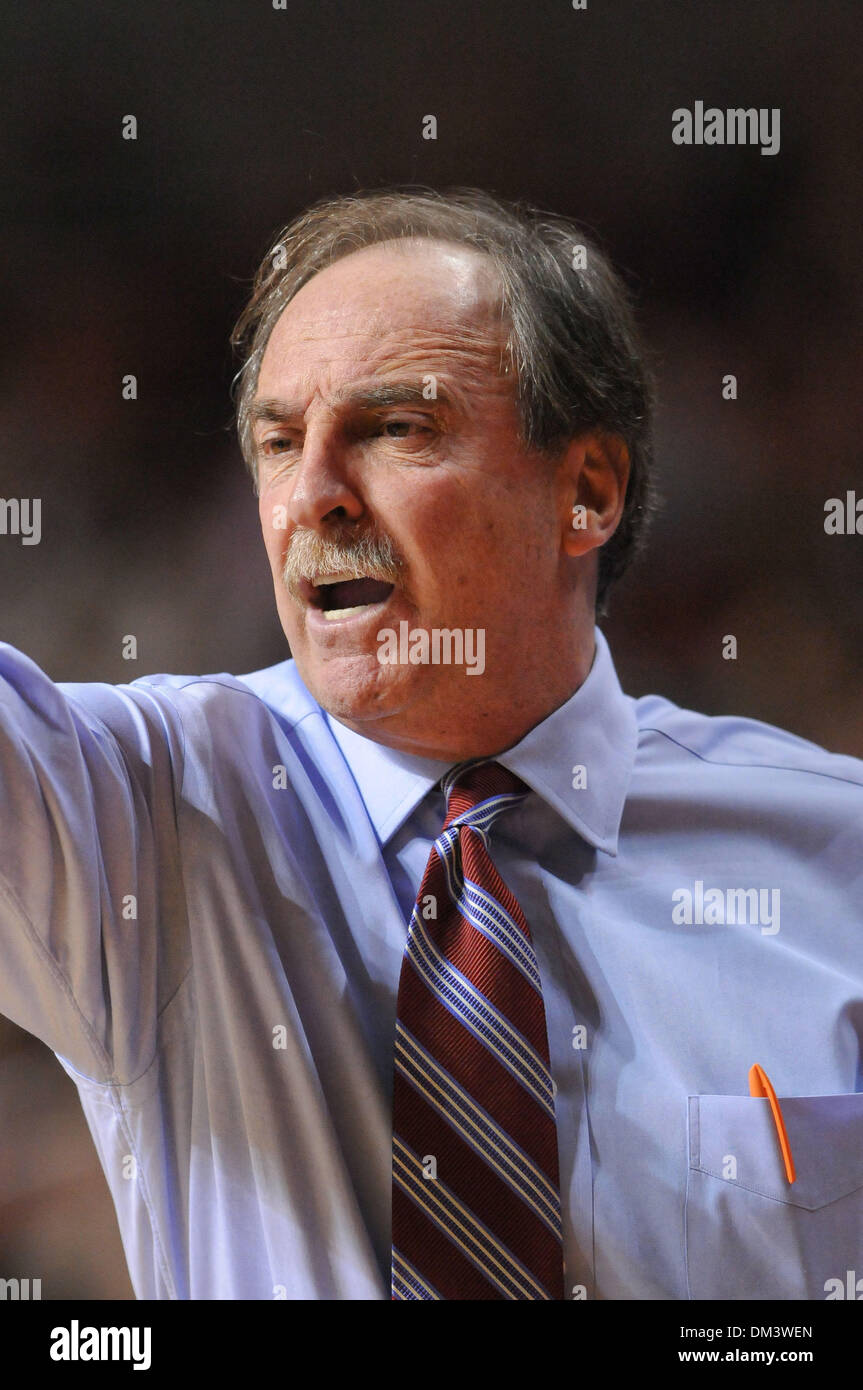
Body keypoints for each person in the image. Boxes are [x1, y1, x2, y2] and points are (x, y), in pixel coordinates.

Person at [1, 187, 861, 1301]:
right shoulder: (143, 806)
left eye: (394, 428)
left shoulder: (834, 852)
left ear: (586, 490)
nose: (310, 495)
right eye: (276, 440)